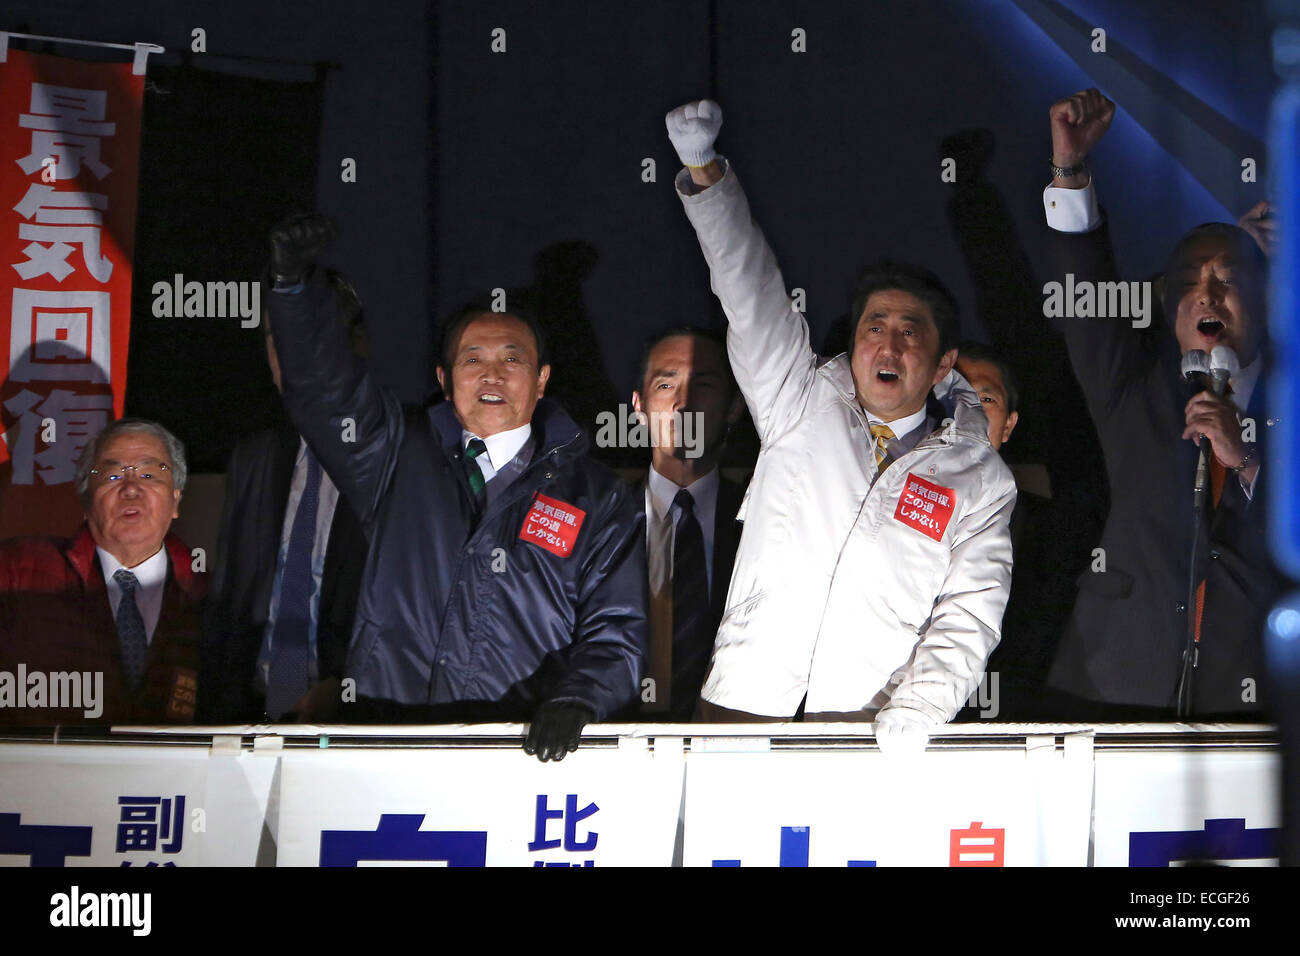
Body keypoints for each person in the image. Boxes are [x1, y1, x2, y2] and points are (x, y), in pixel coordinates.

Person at [665, 100, 1017, 749]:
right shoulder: (797, 399)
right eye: (874, 327)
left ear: (943, 364)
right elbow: (751, 296)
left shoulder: (977, 476)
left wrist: (920, 708)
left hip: (868, 722)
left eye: (909, 332)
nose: (888, 345)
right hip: (744, 701)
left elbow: (972, 610)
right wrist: (707, 175)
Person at [265, 218, 647, 760]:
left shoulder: (596, 496)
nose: (492, 375)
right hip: (387, 739)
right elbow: (325, 392)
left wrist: (579, 699)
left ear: (541, 380)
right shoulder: (394, 456)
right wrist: (295, 291)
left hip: (515, 751)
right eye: (472, 360)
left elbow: (617, 628)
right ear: (444, 381)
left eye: (512, 358)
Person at [1038, 88, 1284, 717]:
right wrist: (1071, 168)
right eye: (1189, 284)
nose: (1207, 295)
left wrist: (1245, 458)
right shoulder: (1133, 389)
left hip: (1248, 694)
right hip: (1116, 683)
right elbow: (1084, 292)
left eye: (1227, 280)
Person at [201, 272, 368, 723]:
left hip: (355, 720)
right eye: (279, 337)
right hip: (248, 716)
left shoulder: (400, 454)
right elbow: (230, 598)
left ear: (356, 344)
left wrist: (348, 688)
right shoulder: (254, 455)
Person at [0, 419, 204, 726]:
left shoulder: (209, 596)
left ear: (175, 500)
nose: (131, 489)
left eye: (149, 474)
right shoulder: (18, 571)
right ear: (85, 501)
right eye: (112, 475)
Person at [630, 327, 746, 720]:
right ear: (639, 406)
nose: (684, 403)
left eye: (704, 385)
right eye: (666, 384)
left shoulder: (764, 521)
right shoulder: (601, 519)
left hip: (732, 736)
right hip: (613, 738)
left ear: (734, 406)